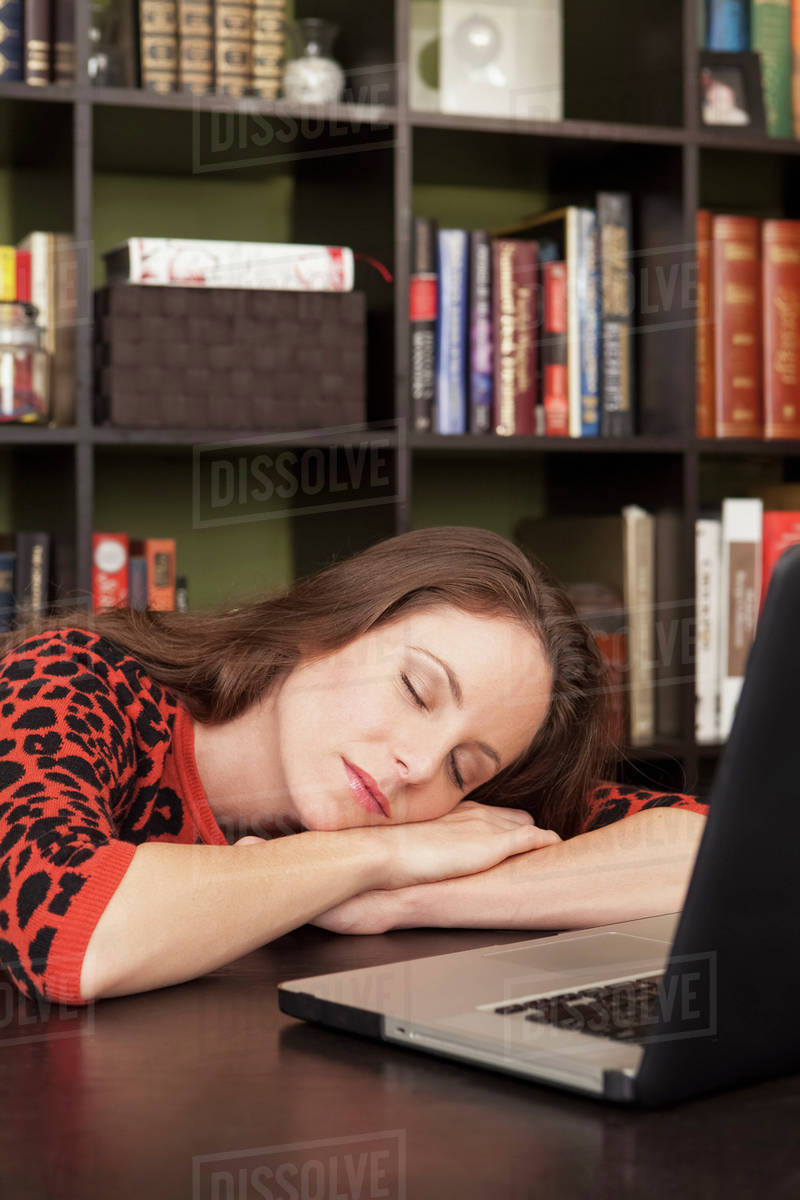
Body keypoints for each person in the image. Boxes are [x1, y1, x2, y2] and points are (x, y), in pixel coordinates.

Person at [0, 526, 706, 1007]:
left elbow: (726, 851)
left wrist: (408, 897)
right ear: (325, 624)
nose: (419, 765)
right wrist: (385, 850)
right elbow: (69, 932)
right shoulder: (71, 680)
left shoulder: (439, 824)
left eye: (464, 768)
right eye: (415, 690)